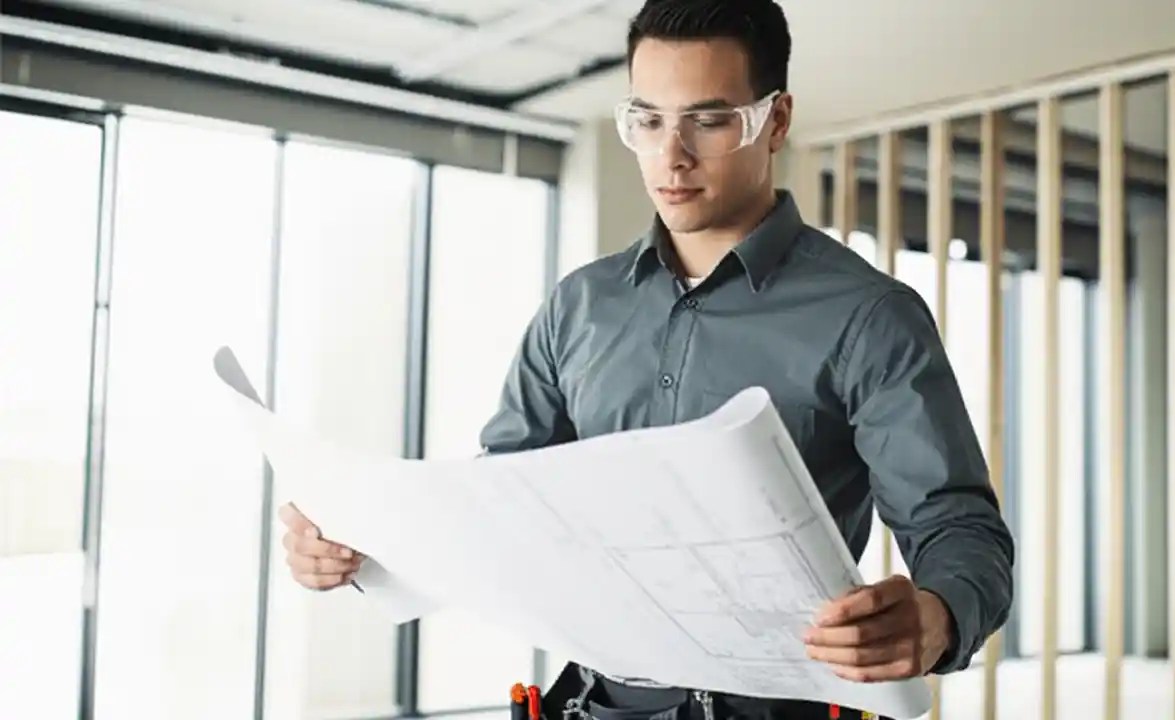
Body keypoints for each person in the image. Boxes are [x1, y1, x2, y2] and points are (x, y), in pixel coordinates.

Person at [279, 0, 1014, 716]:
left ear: (776, 120)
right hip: (594, 703)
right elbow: (499, 508)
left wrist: (935, 615)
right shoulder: (579, 307)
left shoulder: (868, 316)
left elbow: (959, 528)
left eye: (709, 119)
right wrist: (363, 551)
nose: (672, 155)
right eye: (648, 120)